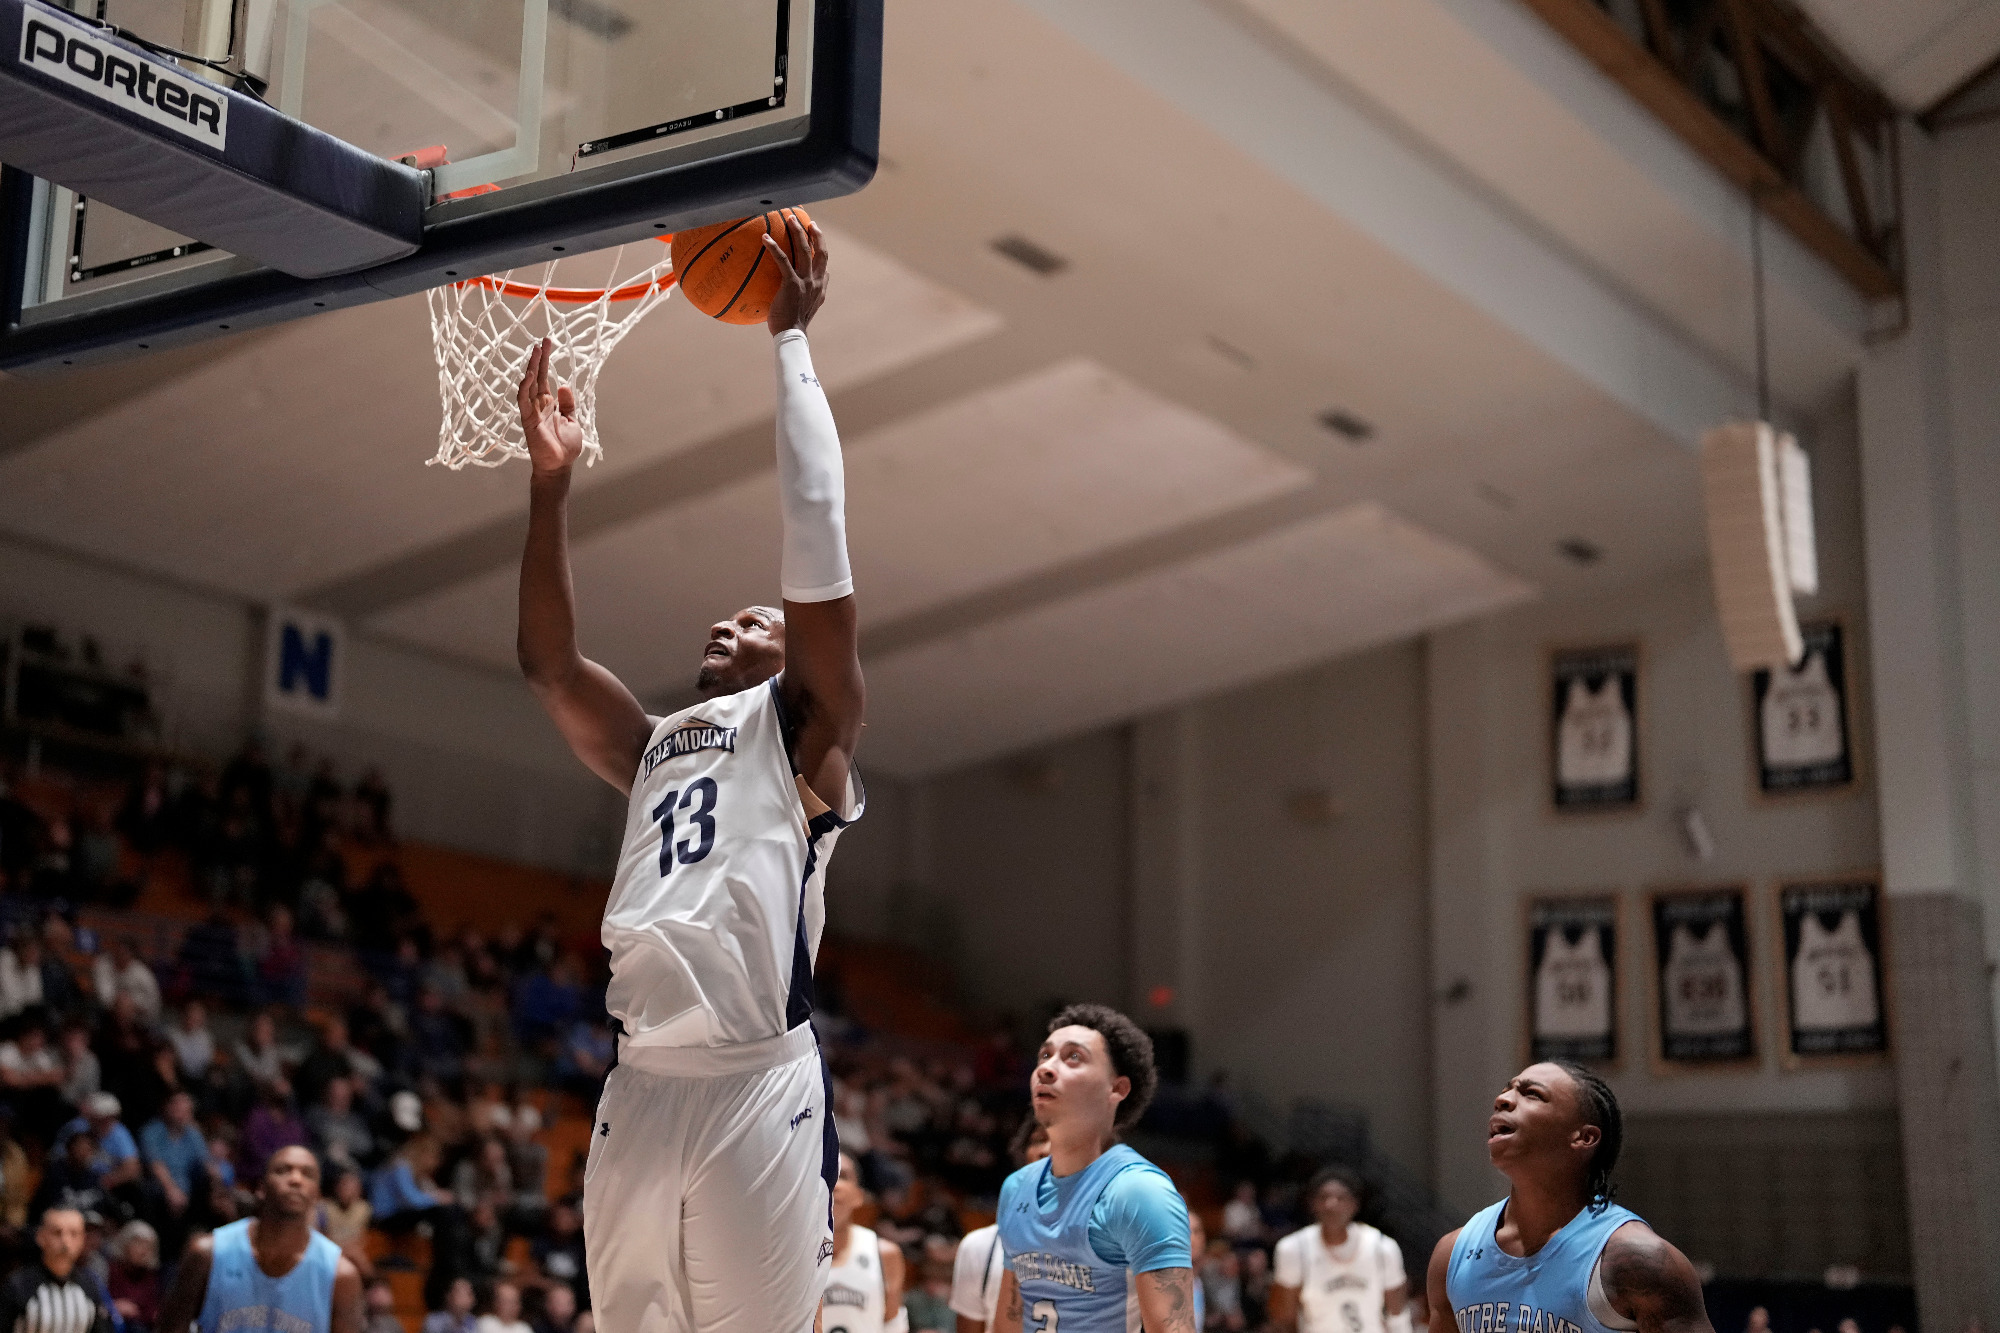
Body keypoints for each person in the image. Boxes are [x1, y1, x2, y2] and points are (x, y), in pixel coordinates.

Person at [515, 212, 865, 1333]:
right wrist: (550, 488)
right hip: (640, 1080)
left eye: (761, 617)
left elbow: (815, 526)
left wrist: (787, 340)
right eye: (730, 615)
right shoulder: (657, 741)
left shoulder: (808, 731)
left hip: (755, 1079)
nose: (735, 617)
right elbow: (548, 663)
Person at [1426, 1063, 1714, 1333]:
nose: (1503, 1100)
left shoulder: (1638, 1260)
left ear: (1583, 1137)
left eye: (1532, 1094)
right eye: (1506, 1090)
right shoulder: (1451, 1255)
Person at [991, 1005, 1195, 1333]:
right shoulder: (1016, 1187)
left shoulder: (1139, 1192)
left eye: (1074, 1057)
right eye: (1045, 1055)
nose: (1046, 1068)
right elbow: (1007, 1323)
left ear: (1117, 1089)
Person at [155, 1145, 364, 1333]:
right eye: (283, 1170)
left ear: (317, 1195)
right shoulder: (207, 1254)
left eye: (307, 1174)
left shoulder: (340, 1275)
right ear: (261, 1188)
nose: (296, 1179)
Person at [1269, 1166, 1406, 1333]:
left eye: (1340, 1198)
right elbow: (1284, 1318)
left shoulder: (1383, 1247)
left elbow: (1398, 1316)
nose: (1331, 1204)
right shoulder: (1293, 1249)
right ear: (1312, 1204)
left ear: (1354, 1204)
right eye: (1324, 1197)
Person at [951, 1120, 1050, 1333]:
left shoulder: (1113, 1240)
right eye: (1038, 1140)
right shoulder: (980, 1247)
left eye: (1060, 1140)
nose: (1045, 1150)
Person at [823, 1152, 907, 1333]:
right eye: (825, 1172)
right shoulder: (787, 1253)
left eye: (843, 1176)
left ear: (859, 1196)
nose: (833, 1184)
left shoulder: (885, 1254)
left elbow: (894, 1327)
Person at [0, 1207, 114, 1333]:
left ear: (82, 1240)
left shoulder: (90, 1287)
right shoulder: (18, 1286)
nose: (65, 1242)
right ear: (40, 1237)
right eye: (57, 1233)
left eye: (74, 1234)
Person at [106, 1220, 163, 1333]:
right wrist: (113, 1307)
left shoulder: (151, 1277)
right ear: (125, 1244)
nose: (143, 1251)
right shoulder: (111, 1270)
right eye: (138, 1243)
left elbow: (153, 1312)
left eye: (148, 1246)